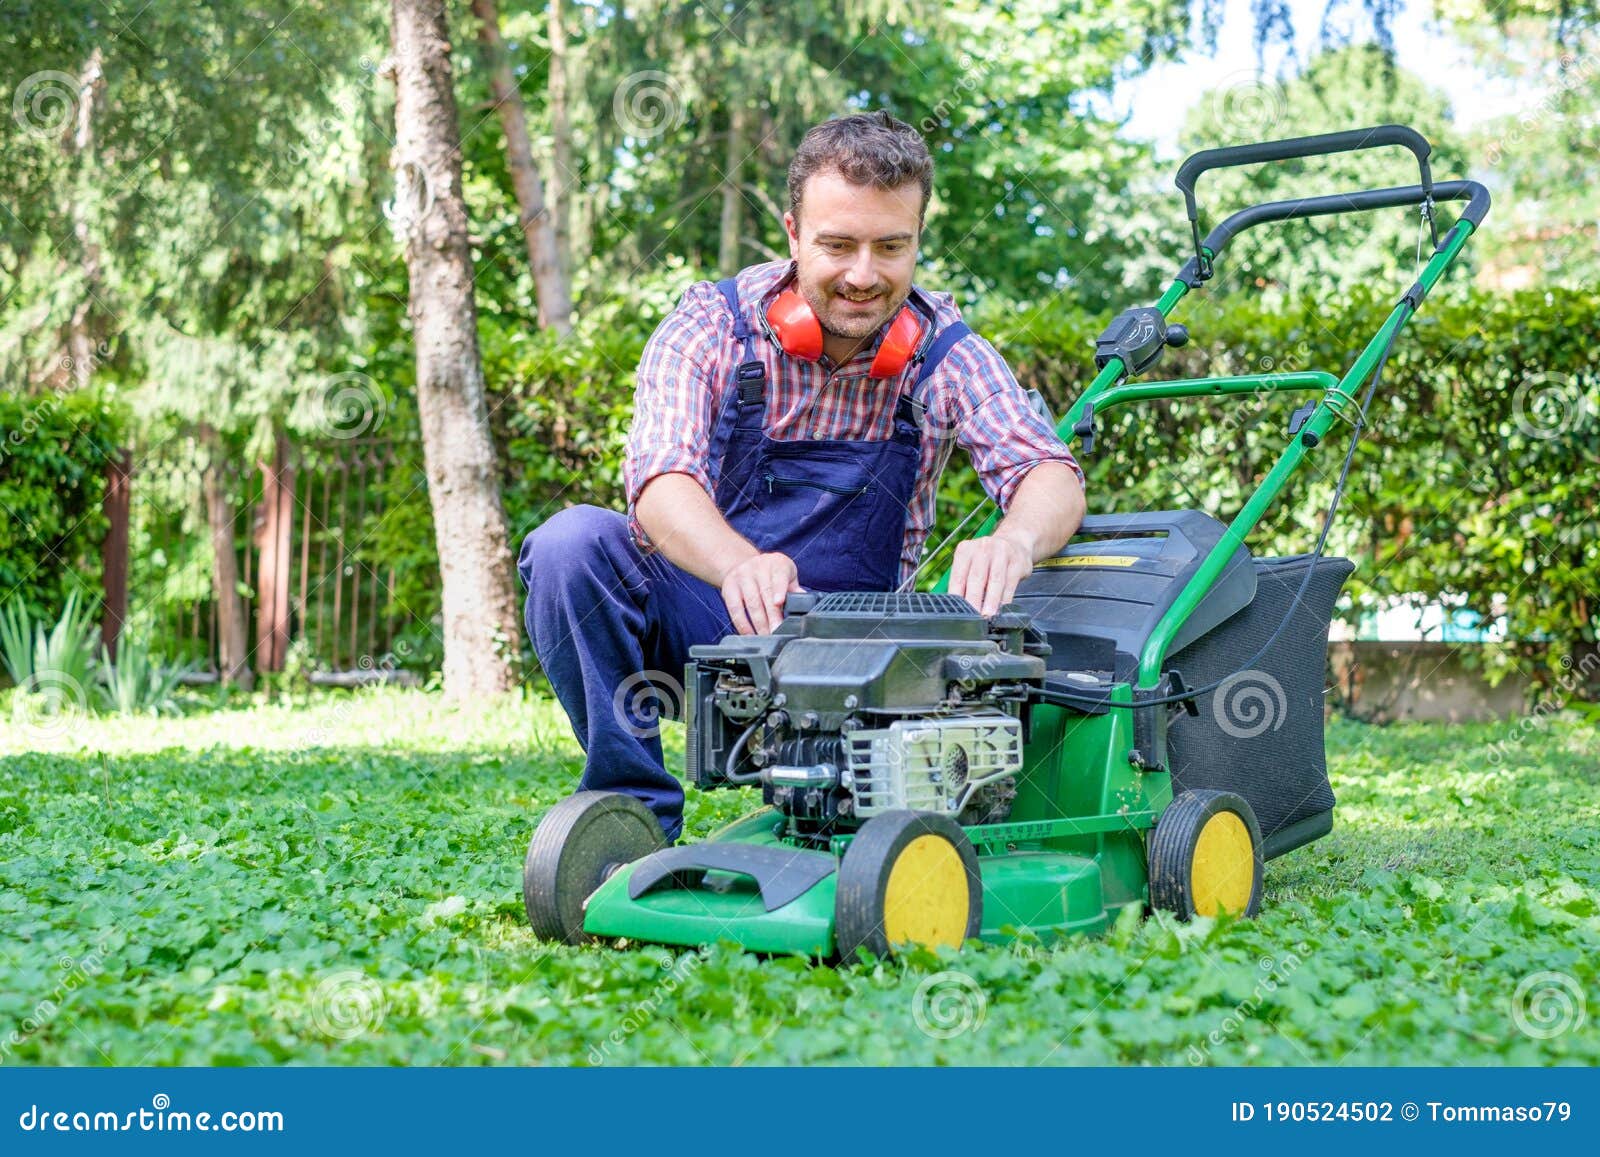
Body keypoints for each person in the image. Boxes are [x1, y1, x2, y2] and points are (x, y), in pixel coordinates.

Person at [518, 111, 1085, 841]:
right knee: (568, 545)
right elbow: (660, 483)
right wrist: (739, 564)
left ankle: (857, 788)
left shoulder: (945, 350)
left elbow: (1049, 471)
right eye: (837, 245)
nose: (863, 275)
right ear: (792, 234)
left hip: (863, 652)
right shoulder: (712, 325)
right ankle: (632, 810)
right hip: (715, 636)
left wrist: (1014, 540)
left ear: (918, 239)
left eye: (891, 246)